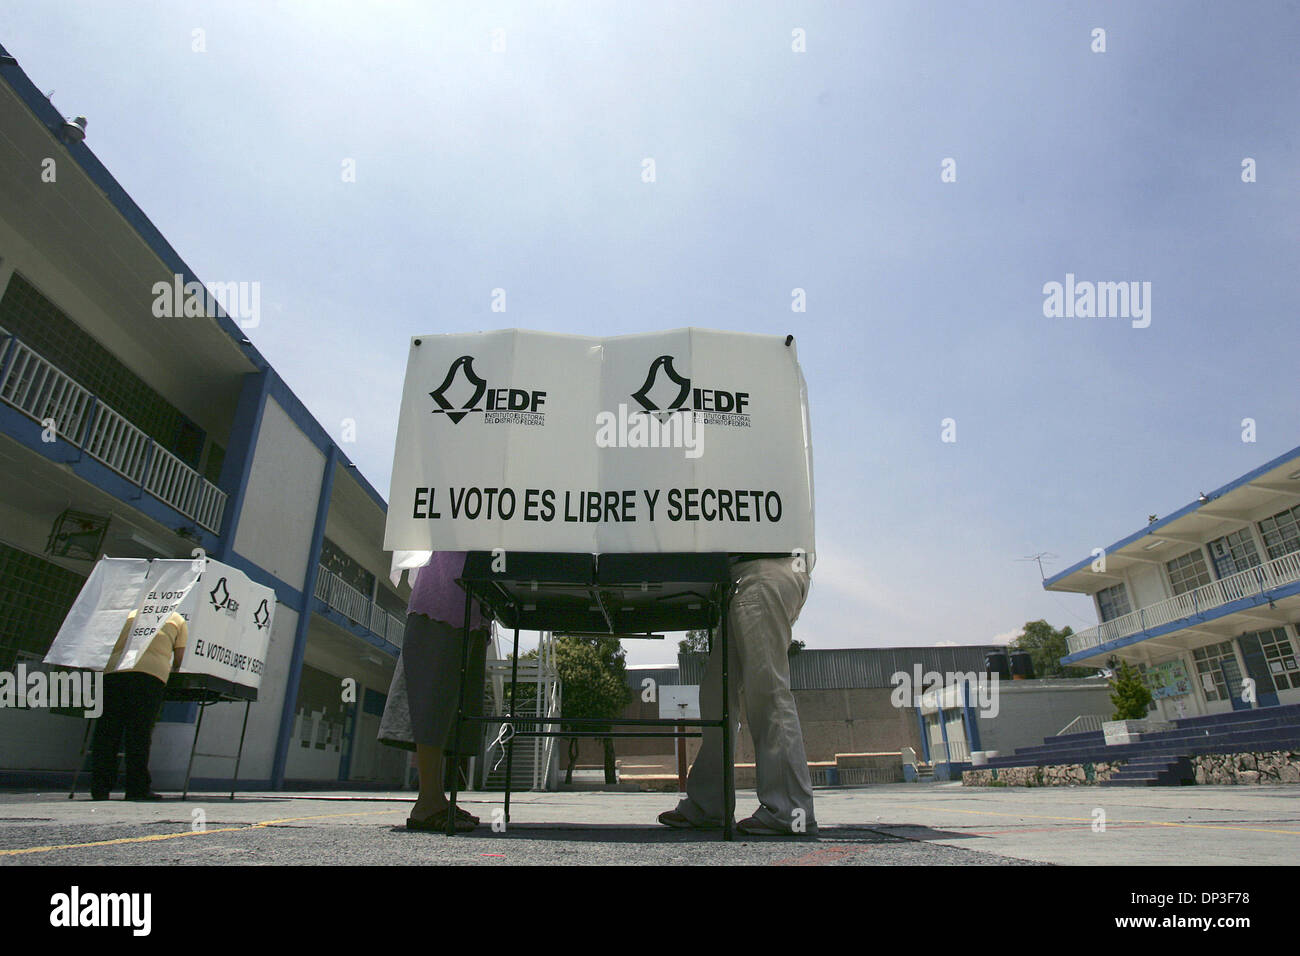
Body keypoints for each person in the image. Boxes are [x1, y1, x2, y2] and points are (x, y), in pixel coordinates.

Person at [658, 554, 815, 836]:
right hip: (749, 578)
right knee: (716, 693)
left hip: (765, 571)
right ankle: (710, 805)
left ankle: (790, 809)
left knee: (767, 690)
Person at [378, 551, 490, 832]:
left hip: (468, 596)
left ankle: (435, 798)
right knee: (432, 697)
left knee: (448, 705)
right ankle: (427, 800)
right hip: (444, 592)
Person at [90, 609, 188, 801]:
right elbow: (179, 658)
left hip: (115, 673)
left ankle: (100, 788)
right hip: (149, 677)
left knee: (107, 732)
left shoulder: (128, 615)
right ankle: (136, 788)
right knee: (139, 733)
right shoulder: (176, 619)